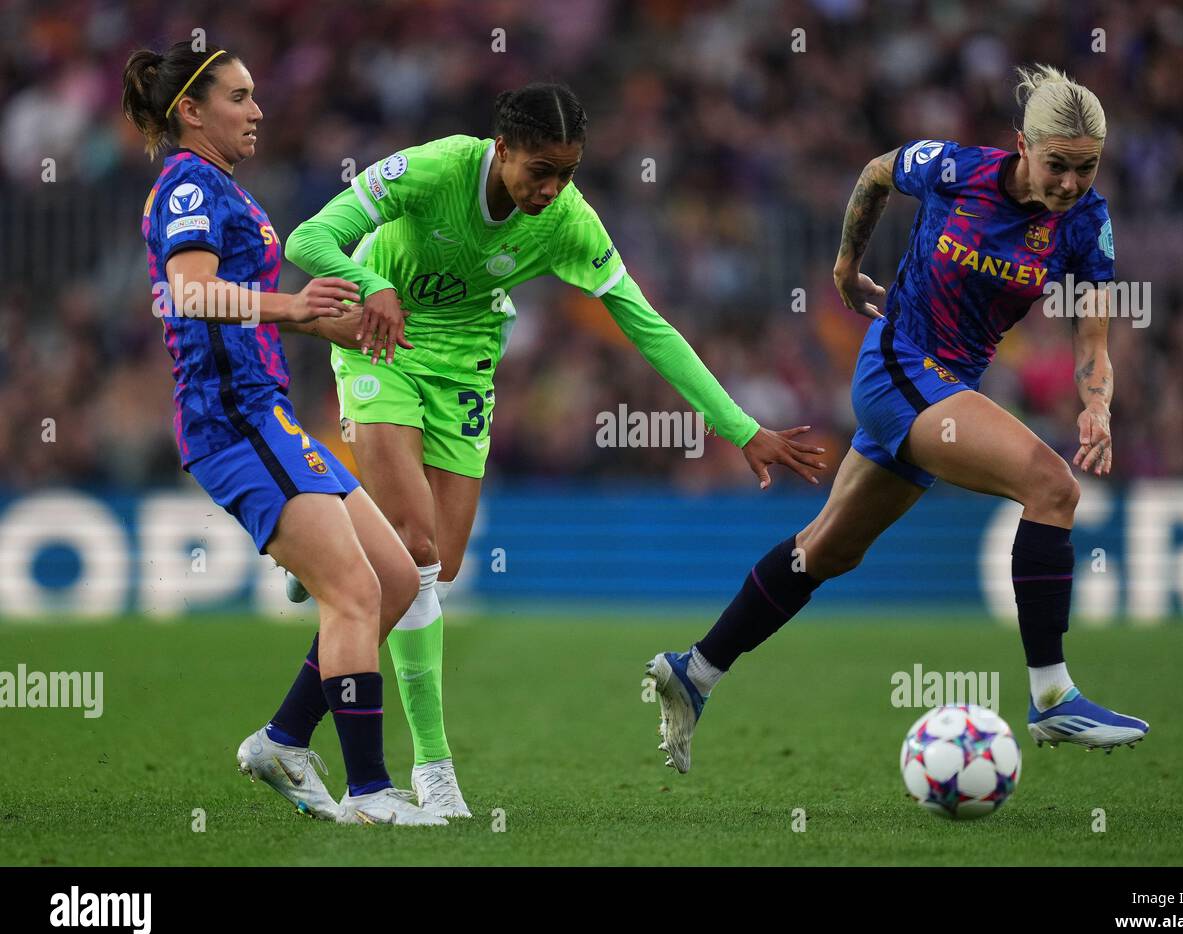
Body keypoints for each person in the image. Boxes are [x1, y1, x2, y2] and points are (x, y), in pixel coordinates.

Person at [283, 82, 826, 816]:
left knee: (427, 573)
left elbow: (647, 325)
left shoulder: (569, 221)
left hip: (466, 363)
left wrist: (739, 426)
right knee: (416, 555)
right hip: (381, 339)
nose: (552, 188)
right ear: (500, 149)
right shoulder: (434, 169)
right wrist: (370, 281)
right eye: (540, 169)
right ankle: (434, 771)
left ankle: (329, 563)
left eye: (567, 172)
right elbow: (307, 239)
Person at [648, 64, 1149, 773]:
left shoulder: (1086, 222)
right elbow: (877, 172)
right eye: (1057, 165)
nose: (1070, 183)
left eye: (1086, 168)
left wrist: (1096, 402)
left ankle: (693, 672)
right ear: (1022, 146)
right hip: (899, 369)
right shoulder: (953, 169)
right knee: (1053, 487)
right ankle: (1052, 696)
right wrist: (847, 267)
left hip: (946, 389)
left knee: (825, 551)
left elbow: (1092, 338)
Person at [124, 41, 444, 824]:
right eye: (239, 97)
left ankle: (285, 737)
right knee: (354, 591)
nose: (258, 110)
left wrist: (320, 331)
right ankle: (370, 794)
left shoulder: (223, 188)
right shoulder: (189, 187)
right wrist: (296, 307)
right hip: (233, 420)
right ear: (190, 112)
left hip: (268, 413)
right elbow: (191, 295)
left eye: (256, 95)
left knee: (396, 581)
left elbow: (236, 309)